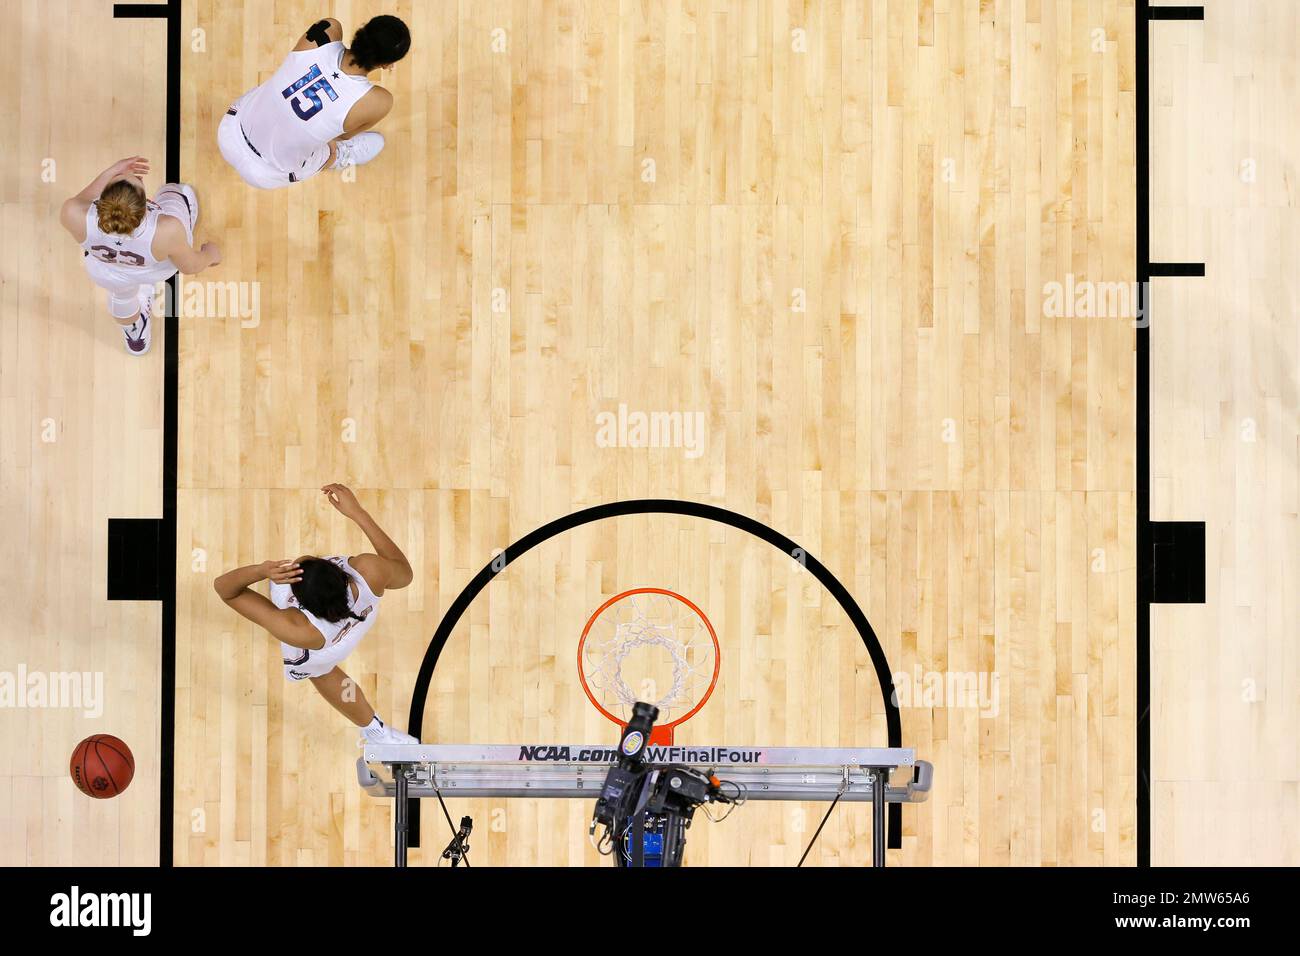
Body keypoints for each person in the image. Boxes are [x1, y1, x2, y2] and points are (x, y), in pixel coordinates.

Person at [213, 483, 418, 744]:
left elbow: (226, 590)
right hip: (360, 617)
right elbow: (405, 573)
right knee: (325, 667)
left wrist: (260, 571)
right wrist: (359, 514)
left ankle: (374, 729)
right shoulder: (369, 570)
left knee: (321, 672)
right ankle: (374, 731)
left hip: (321, 643)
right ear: (340, 573)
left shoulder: (298, 629)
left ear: (298, 601)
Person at [217, 15, 410, 189]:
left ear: (362, 29)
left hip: (230, 129)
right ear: (387, 65)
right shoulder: (380, 101)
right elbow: (343, 136)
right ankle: (340, 157)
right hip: (266, 173)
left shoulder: (328, 28)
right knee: (332, 146)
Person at [59, 156, 219, 355]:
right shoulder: (166, 230)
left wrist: (113, 170)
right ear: (146, 206)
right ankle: (181, 204)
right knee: (173, 193)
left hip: (107, 271)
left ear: (102, 199)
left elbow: (81, 199)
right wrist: (210, 255)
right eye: (139, 182)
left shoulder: (73, 213)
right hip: (151, 270)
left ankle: (135, 335)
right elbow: (189, 266)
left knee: (121, 296)